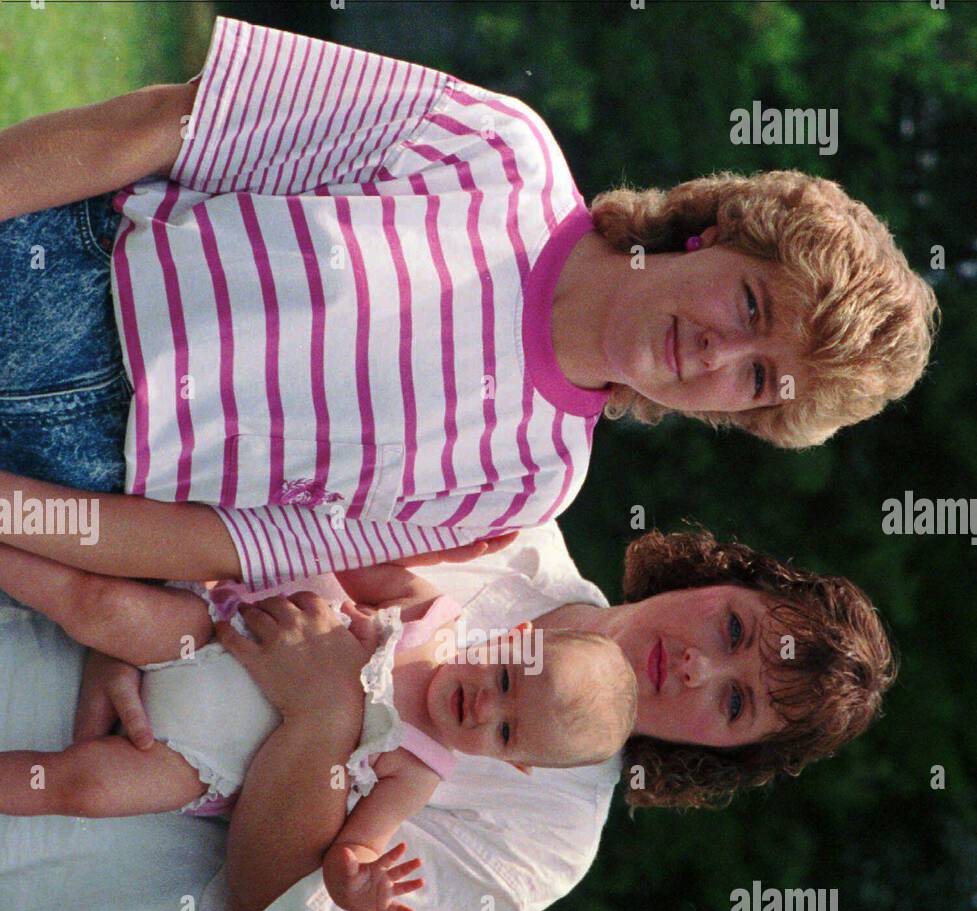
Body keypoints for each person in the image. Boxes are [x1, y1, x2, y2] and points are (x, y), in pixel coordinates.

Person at [0, 16, 937, 586]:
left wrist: (16, 513)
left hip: (76, 474)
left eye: (760, 380)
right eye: (749, 306)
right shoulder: (496, 147)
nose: (719, 356)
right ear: (714, 232)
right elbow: (162, 123)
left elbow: (226, 542)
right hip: (56, 271)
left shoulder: (532, 485)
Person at [0, 523, 894, 911]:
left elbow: (264, 900)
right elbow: (259, 509)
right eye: (734, 631)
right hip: (57, 615)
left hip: (55, 834)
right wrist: (119, 632)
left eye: (735, 704)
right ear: (718, 578)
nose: (700, 667)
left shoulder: (542, 847)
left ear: (722, 755)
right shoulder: (510, 528)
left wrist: (323, 714)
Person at [0, 548, 636, 911]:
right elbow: (344, 547)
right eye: (503, 678)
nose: (483, 708)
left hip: (197, 762)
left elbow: (352, 847)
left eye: (504, 732)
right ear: (514, 637)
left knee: (81, 788)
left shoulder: (419, 768)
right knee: (99, 606)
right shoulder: (430, 613)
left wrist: (357, 883)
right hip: (218, 638)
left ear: (515, 764)